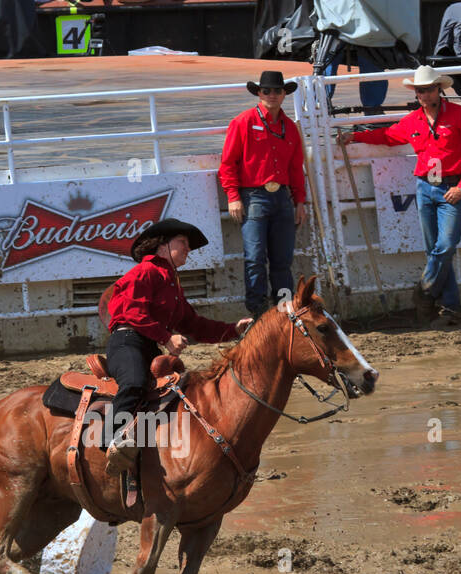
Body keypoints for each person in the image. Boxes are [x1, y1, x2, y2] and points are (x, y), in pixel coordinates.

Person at [103, 218, 253, 476]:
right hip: (127, 342)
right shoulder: (145, 272)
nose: (188, 249)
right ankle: (108, 442)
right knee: (135, 383)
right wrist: (166, 337)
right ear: (162, 247)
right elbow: (130, 312)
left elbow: (194, 324)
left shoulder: (171, 283)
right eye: (182, 242)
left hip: (147, 345)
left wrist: (232, 330)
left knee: (179, 392)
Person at [339, 65, 461, 323]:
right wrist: (356, 137)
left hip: (451, 186)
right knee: (437, 250)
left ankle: (425, 291)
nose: (424, 95)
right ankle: (449, 308)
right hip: (425, 186)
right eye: (420, 91)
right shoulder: (413, 120)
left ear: (438, 89)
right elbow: (387, 136)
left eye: (428, 90)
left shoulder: (460, 115)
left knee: (445, 246)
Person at [218, 70, 308, 320]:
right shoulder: (243, 122)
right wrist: (233, 195)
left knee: (281, 260)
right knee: (255, 258)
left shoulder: (289, 128)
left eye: (276, 91)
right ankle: (258, 313)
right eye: (267, 90)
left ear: (283, 95)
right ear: (259, 93)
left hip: (281, 197)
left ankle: (283, 313)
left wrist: (300, 201)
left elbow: (295, 168)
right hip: (254, 196)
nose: (272, 95)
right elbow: (228, 163)